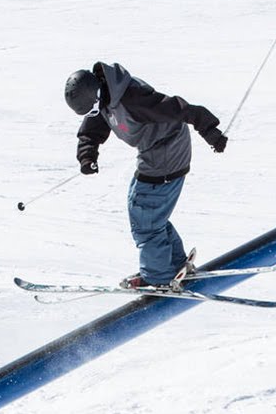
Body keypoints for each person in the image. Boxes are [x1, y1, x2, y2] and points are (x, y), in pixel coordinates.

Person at [64, 62, 227, 288]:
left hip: (167, 152)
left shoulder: (133, 98)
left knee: (145, 220)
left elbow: (179, 109)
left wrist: (210, 131)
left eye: (93, 109)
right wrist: (87, 155)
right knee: (145, 211)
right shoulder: (103, 98)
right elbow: (92, 128)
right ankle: (174, 264)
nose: (94, 114)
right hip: (154, 153)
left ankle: (159, 278)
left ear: (97, 94)